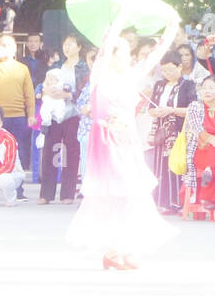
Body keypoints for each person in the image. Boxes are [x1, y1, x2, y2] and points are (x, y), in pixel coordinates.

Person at [66, 14, 180, 270]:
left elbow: (153, 57)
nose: (128, 56)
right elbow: (105, 52)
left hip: (127, 142)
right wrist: (117, 22)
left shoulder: (131, 76)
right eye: (122, 52)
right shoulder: (100, 76)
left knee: (133, 196)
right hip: (106, 143)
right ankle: (114, 249)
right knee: (116, 196)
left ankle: (123, 248)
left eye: (128, 52)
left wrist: (170, 32)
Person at [0, 33, 35, 198]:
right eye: (1, 44)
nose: (4, 48)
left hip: (18, 116)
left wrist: (31, 114)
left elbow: (29, 94)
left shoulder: (22, 68)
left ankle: (18, 189)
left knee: (18, 153)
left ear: (14, 49)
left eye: (8, 45)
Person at [146, 55, 195, 214]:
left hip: (179, 131)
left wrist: (172, 110)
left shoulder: (188, 85)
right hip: (162, 131)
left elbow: (193, 109)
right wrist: (158, 112)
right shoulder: (159, 85)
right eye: (164, 70)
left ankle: (177, 202)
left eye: (170, 69)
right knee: (160, 166)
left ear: (179, 67)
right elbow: (150, 109)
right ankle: (163, 201)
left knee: (177, 164)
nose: (167, 73)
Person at [183, 75, 215, 217]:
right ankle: (211, 197)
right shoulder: (195, 106)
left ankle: (208, 192)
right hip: (200, 148)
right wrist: (214, 141)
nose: (206, 91)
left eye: (211, 88)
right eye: (204, 87)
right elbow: (196, 128)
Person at [36, 69, 80, 204]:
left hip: (71, 115)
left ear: (79, 46)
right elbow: (41, 87)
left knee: (70, 154)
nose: (67, 47)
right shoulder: (57, 66)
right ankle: (46, 194)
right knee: (50, 152)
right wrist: (45, 91)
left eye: (70, 45)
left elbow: (85, 91)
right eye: (66, 45)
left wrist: (67, 94)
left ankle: (68, 194)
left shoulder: (82, 67)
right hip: (53, 116)